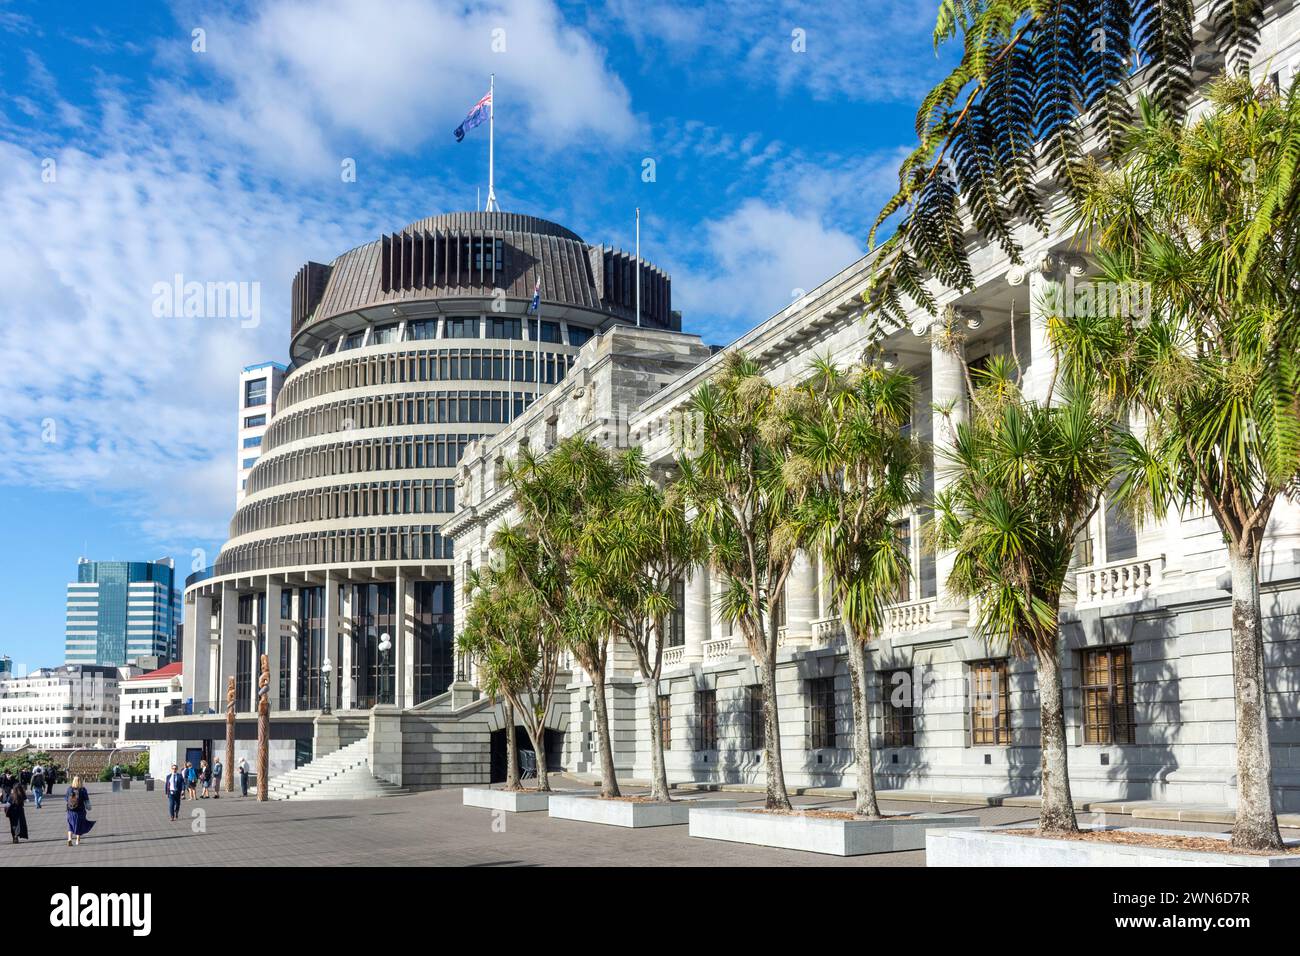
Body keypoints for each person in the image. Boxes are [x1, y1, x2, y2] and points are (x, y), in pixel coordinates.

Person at [64, 775, 93, 847]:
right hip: (80, 810)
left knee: (70, 825)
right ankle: (77, 840)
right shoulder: (83, 789)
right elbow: (86, 800)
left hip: (71, 811)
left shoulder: (69, 789)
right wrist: (89, 807)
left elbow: (66, 799)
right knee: (79, 825)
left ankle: (69, 839)